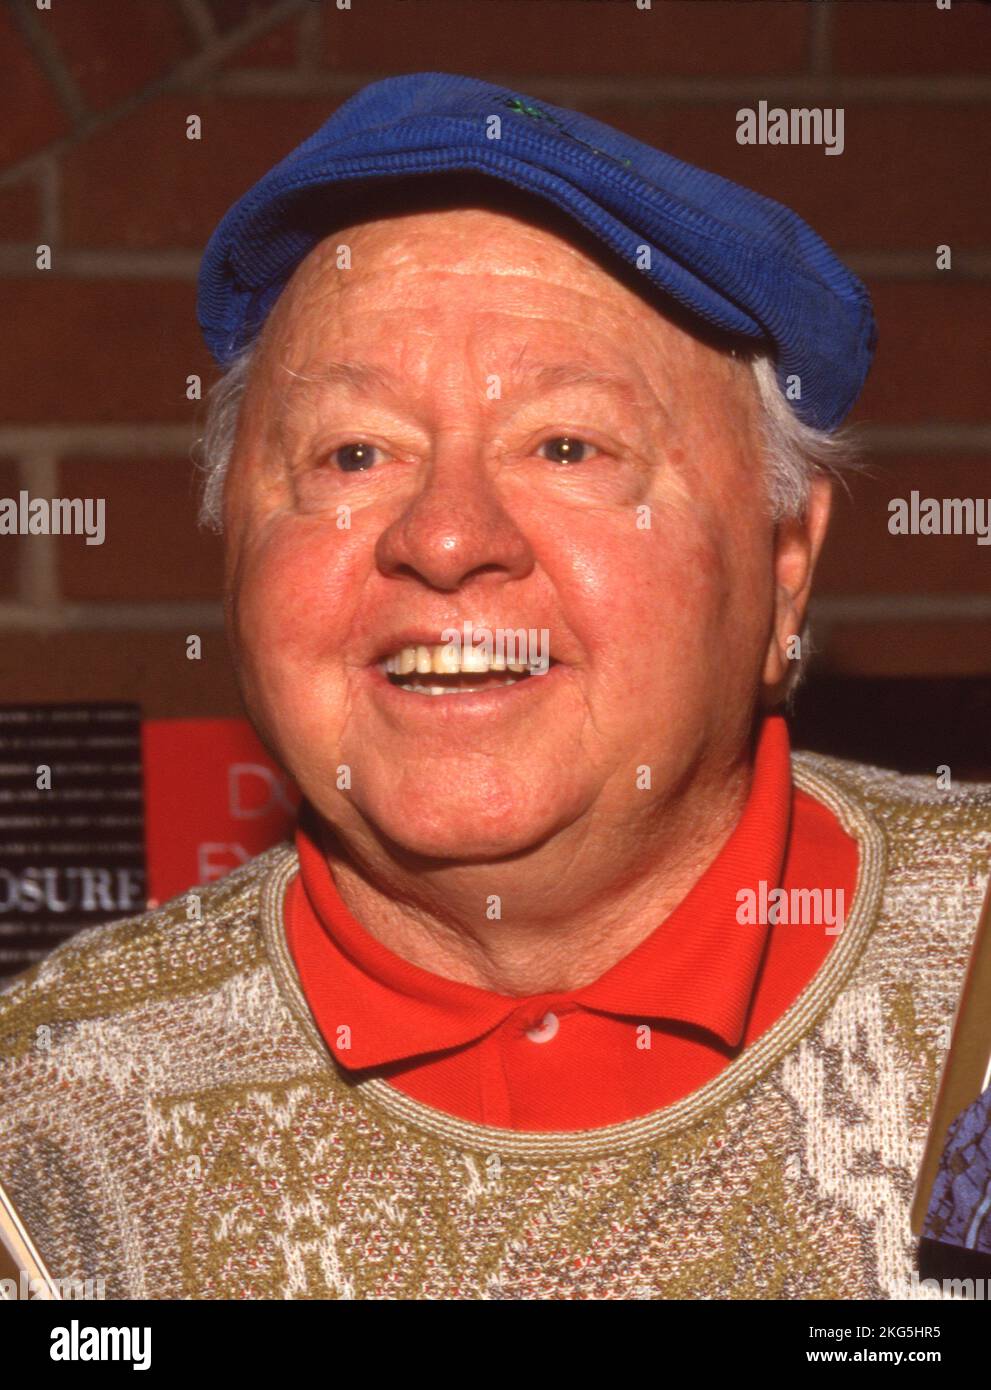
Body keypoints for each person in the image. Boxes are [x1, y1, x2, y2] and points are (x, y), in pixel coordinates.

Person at [1, 72, 988, 1301]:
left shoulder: (978, 990)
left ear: (786, 568)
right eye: (353, 452)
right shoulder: (48, 1123)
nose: (448, 533)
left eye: (567, 446)